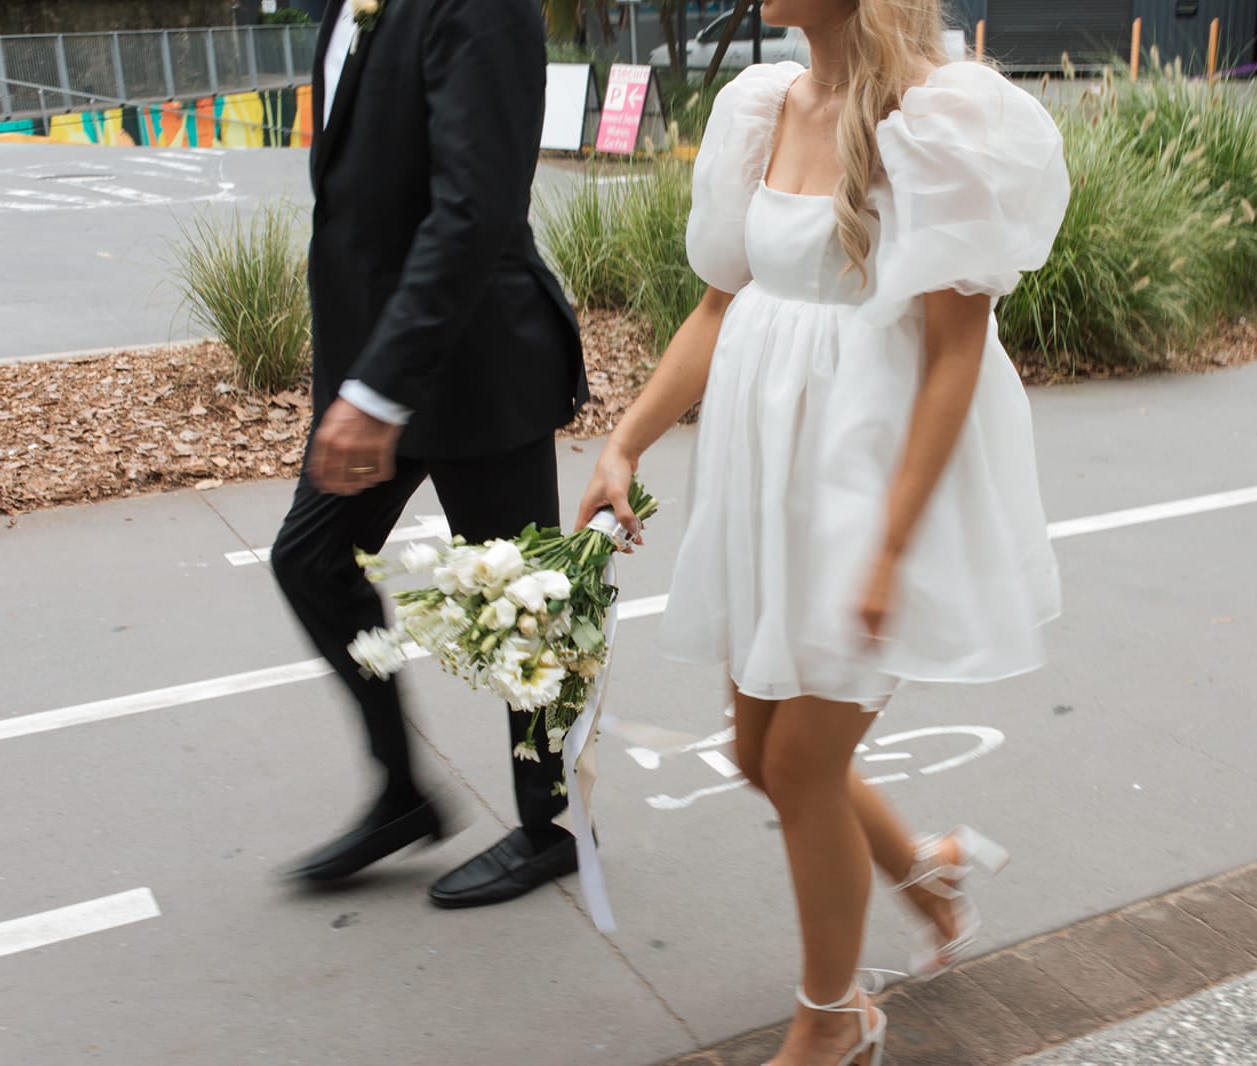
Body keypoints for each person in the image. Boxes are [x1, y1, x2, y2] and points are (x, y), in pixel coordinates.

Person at [576, 0, 1069, 1057]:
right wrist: (626, 442)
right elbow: (719, 307)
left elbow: (953, 355)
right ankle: (923, 870)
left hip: (873, 483)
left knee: (800, 760)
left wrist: (889, 547)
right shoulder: (764, 105)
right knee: (761, 750)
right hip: (770, 477)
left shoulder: (934, 120)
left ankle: (832, 1022)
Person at [271, 0, 590, 910]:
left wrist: (375, 393)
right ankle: (402, 794)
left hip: (478, 358)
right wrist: (356, 381)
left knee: (521, 606)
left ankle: (549, 827)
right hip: (382, 358)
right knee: (311, 560)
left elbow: (473, 207)